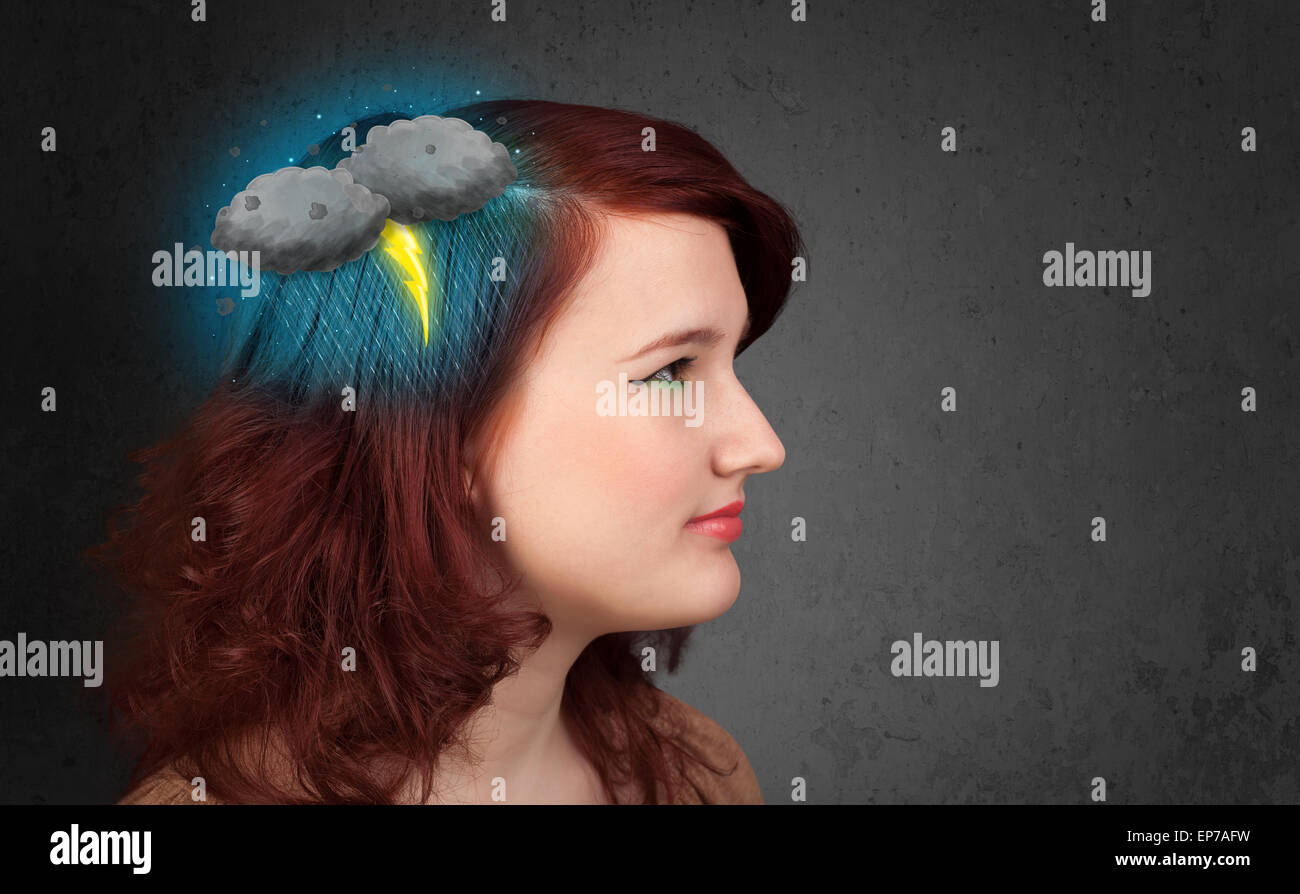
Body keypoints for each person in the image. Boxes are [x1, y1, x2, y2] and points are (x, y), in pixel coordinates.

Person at [93, 99, 805, 804]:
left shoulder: (698, 775)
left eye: (730, 361)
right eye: (669, 371)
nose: (760, 445)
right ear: (442, 429)